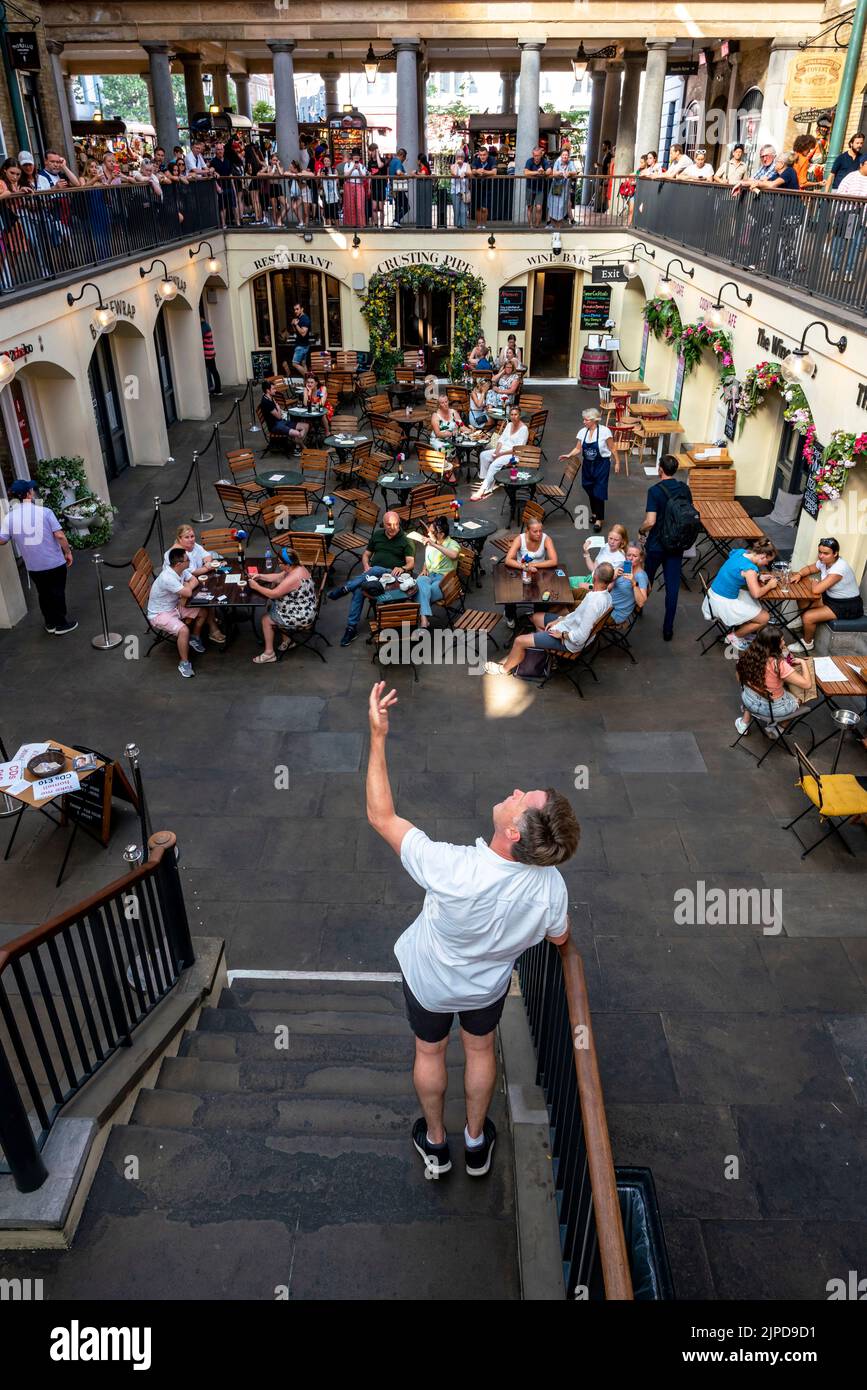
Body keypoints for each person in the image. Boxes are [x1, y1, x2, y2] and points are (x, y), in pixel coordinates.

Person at [365, 679, 578, 1179]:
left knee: (429, 1051)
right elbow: (560, 938)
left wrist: (377, 737)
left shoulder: (454, 868)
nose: (515, 791)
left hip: (430, 981)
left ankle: (436, 1144)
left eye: (523, 797)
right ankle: (477, 1143)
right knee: (480, 1049)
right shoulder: (551, 887)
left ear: (512, 832)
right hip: (486, 988)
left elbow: (381, 816)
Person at [486, 564, 614, 676]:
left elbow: (581, 636)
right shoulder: (606, 596)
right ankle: (547, 655)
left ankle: (503, 669)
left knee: (519, 641)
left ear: (595, 578)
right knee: (535, 617)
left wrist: (562, 634)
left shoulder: (594, 603)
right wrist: (560, 620)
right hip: (568, 624)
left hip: (570, 641)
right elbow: (577, 615)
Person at [328, 510, 416, 646]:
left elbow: (411, 562)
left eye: (396, 524)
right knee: (359, 589)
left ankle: (345, 588)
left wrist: (403, 568)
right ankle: (351, 628)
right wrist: (366, 566)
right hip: (374, 577)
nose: (393, 528)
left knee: (375, 569)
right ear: (383, 524)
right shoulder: (377, 535)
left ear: (399, 524)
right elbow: (366, 555)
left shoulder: (405, 540)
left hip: (392, 576)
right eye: (389, 524)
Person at [0, 478, 76, 634]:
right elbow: (60, 536)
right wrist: (67, 552)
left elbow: (2, 540)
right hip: (53, 562)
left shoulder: (9, 517)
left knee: (43, 593)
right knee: (57, 591)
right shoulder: (45, 512)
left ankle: (50, 624)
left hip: (33, 566)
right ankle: (61, 624)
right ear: (29, 493)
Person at [638, 454, 696, 641]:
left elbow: (650, 521)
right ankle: (668, 628)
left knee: (646, 579)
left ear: (660, 469)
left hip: (656, 544)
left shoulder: (654, 491)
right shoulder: (684, 489)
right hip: (676, 544)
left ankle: (639, 608)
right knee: (672, 588)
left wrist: (641, 530)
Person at [787, 537, 865, 653]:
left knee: (808, 616)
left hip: (847, 606)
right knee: (802, 598)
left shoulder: (839, 569)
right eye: (820, 552)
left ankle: (807, 643)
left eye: (825, 553)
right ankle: (802, 621)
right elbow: (809, 569)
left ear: (835, 554)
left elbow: (817, 590)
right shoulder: (824, 562)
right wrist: (799, 574)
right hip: (831, 598)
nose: (821, 556)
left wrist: (814, 583)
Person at [734, 628, 814, 738]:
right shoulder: (778, 664)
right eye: (781, 640)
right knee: (802, 698)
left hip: (748, 700)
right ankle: (776, 730)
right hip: (773, 709)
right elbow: (807, 684)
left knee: (755, 688)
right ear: (773, 645)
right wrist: (803, 663)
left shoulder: (746, 656)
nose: (784, 642)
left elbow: (739, 679)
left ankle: (744, 723)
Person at [703, 538, 779, 649]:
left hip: (713, 595)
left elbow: (736, 567)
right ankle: (735, 636)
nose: (767, 563)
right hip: (724, 603)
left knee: (753, 603)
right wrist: (769, 585)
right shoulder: (750, 570)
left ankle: (744, 630)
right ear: (762, 556)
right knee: (765, 618)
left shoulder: (741, 552)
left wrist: (758, 577)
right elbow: (756, 593)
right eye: (768, 561)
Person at [247, 546, 317, 662]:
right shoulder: (298, 567)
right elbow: (279, 577)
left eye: (280, 563)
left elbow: (273, 594)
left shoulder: (294, 577)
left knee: (266, 619)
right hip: (306, 607)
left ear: (288, 564)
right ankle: (287, 640)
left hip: (301, 615)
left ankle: (269, 654)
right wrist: (260, 576)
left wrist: (256, 586)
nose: (279, 565)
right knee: (273, 606)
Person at [147, 546, 209, 678]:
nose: (190, 562)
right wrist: (187, 589)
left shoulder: (180, 570)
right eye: (187, 560)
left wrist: (187, 588)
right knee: (184, 630)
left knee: (203, 611)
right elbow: (187, 592)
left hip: (174, 606)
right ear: (179, 563)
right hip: (160, 614)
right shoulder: (168, 577)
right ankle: (184, 663)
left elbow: (194, 580)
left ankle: (195, 637)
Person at [559, 406, 621, 531]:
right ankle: (594, 512)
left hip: (601, 464)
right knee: (588, 487)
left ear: (594, 420)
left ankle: (599, 519)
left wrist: (617, 462)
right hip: (588, 464)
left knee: (599, 492)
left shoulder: (604, 431)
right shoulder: (583, 432)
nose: (584, 422)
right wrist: (569, 455)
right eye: (584, 419)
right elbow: (578, 448)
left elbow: (612, 448)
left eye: (586, 420)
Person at [163, 524, 226, 646]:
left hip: (193, 581)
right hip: (178, 594)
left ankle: (210, 620)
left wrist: (208, 563)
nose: (191, 539)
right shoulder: (177, 555)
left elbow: (207, 555)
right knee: (206, 597)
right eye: (187, 537)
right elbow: (192, 572)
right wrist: (209, 567)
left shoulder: (192, 545)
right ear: (179, 538)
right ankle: (212, 629)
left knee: (211, 591)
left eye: (192, 536)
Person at [500, 517, 559, 630]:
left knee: (543, 596)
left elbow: (554, 561)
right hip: (520, 571)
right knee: (511, 594)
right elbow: (508, 560)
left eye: (540, 531)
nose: (539, 534)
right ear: (527, 531)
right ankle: (510, 615)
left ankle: (538, 616)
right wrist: (525, 567)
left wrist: (533, 566)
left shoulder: (546, 539)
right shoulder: (520, 539)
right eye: (535, 531)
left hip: (539, 572)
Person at [472, 404, 528, 498]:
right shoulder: (509, 425)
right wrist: (497, 452)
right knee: (484, 455)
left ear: (519, 415)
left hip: (513, 455)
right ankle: (486, 482)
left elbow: (517, 449)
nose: (513, 417)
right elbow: (501, 439)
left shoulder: (524, 429)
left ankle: (483, 489)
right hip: (502, 450)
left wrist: (500, 454)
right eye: (512, 415)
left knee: (495, 464)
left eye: (516, 414)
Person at [415, 517, 461, 628]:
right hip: (430, 576)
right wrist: (424, 568)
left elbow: (454, 555)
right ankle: (424, 618)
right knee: (419, 582)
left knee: (419, 593)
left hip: (445, 580)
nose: (428, 533)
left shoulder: (452, 544)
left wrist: (434, 544)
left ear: (441, 534)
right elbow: (427, 560)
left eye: (431, 532)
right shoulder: (431, 542)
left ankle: (423, 619)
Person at [429, 392, 462, 482]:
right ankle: (448, 471)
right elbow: (437, 433)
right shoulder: (435, 415)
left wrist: (469, 430)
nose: (445, 404)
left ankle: (451, 467)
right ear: (439, 405)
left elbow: (461, 425)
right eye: (442, 403)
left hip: (451, 438)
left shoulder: (453, 412)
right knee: (443, 447)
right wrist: (450, 433)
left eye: (446, 402)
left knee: (458, 444)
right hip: (438, 439)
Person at [547, 147, 577, 226]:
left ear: (568, 156)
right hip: (557, 186)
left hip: (565, 188)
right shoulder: (557, 161)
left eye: (566, 155)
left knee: (562, 205)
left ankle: (558, 226)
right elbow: (554, 173)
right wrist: (561, 173)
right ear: (561, 155)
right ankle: (550, 222)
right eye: (563, 155)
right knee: (554, 204)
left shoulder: (570, 163)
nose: (565, 156)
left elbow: (575, 172)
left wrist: (569, 173)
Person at [524, 144, 550, 227]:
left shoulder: (544, 161)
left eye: (538, 155)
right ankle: (530, 225)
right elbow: (526, 172)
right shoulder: (529, 161)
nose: (537, 157)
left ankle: (537, 226)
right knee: (530, 207)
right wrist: (538, 172)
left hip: (540, 188)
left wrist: (544, 172)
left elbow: (550, 171)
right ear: (533, 155)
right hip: (530, 187)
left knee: (539, 207)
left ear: (541, 154)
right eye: (535, 155)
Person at [200, 317, 221, 396]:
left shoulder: (204, 326)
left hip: (207, 353)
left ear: (201, 318)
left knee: (212, 371)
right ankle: (216, 389)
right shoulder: (206, 325)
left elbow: (199, 336)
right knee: (213, 371)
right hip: (210, 352)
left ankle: (216, 389)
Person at [451, 148, 471, 228]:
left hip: (465, 190)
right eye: (458, 157)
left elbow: (470, 173)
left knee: (464, 210)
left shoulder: (467, 165)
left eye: (462, 157)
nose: (460, 159)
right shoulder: (453, 166)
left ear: (464, 157)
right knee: (456, 209)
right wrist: (456, 164)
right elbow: (454, 173)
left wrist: (465, 172)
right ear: (456, 158)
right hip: (455, 190)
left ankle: (464, 225)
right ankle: (458, 226)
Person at [389, 147, 409, 225]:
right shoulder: (398, 162)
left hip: (393, 186)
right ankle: (396, 220)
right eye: (404, 158)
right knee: (407, 206)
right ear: (402, 156)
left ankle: (396, 221)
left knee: (398, 205)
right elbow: (398, 172)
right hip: (398, 187)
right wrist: (406, 175)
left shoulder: (392, 161)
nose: (404, 160)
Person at [290, 301, 311, 369]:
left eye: (297, 309)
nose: (295, 311)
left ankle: (308, 377)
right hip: (302, 345)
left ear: (302, 309)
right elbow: (296, 331)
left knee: (294, 363)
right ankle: (307, 379)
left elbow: (303, 333)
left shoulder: (305, 319)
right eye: (294, 309)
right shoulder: (299, 318)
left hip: (301, 346)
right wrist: (293, 325)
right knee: (303, 363)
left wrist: (296, 325)